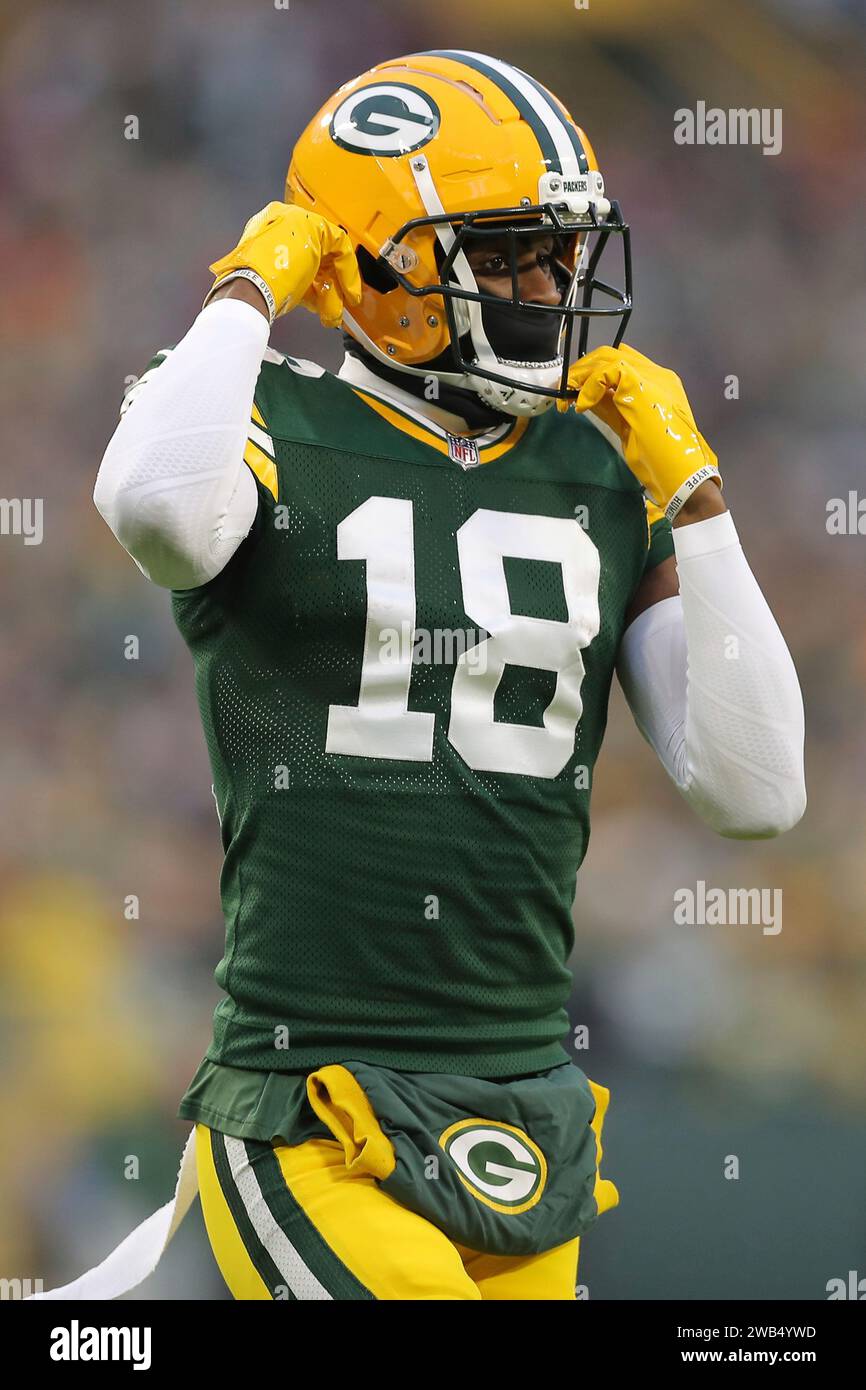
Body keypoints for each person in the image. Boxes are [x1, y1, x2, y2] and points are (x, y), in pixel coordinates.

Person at [90, 50, 806, 1301]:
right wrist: (252, 281)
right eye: (510, 253)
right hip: (313, 1099)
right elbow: (153, 510)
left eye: (562, 251)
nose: (552, 286)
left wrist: (697, 500)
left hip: (526, 1095)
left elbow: (756, 791)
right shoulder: (257, 411)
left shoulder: (600, 469)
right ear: (376, 265)